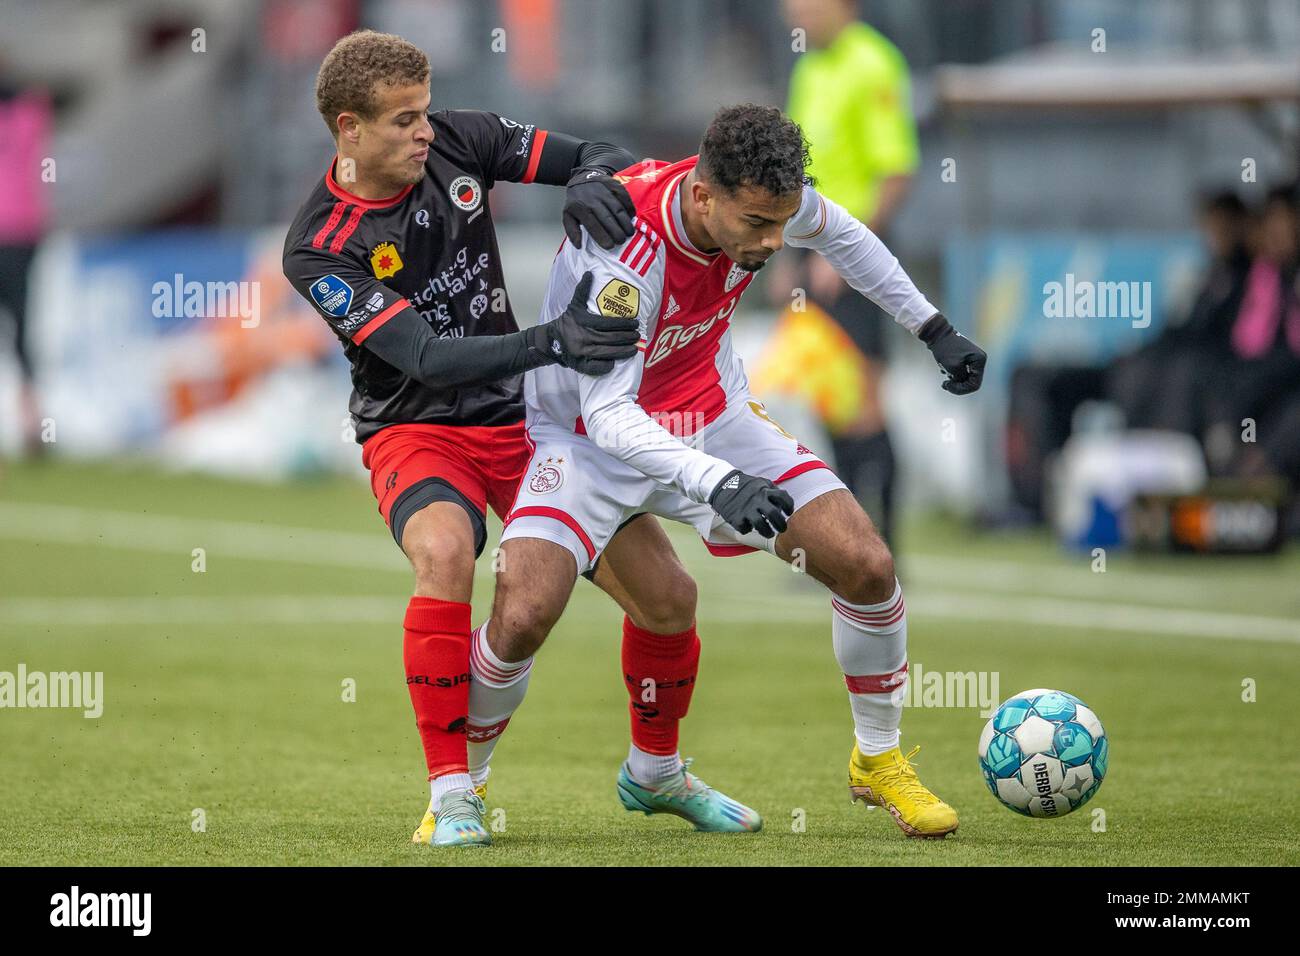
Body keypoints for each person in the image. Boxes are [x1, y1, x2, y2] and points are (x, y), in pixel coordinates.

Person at [466, 105, 985, 839]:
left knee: (867, 565)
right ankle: (465, 789)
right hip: (583, 437)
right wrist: (717, 483)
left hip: (711, 414)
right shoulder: (626, 250)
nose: (774, 242)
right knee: (523, 614)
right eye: (758, 227)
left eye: (781, 223)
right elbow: (610, 414)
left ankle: (878, 759)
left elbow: (842, 234)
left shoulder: (760, 197)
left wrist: (933, 329)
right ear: (704, 196)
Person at [282, 29, 655, 848]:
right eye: (403, 121)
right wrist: (556, 340)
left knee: (665, 596)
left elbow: (603, 150)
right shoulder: (320, 247)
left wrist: (592, 179)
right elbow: (426, 358)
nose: (425, 132)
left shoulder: (458, 137)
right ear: (349, 129)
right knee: (446, 555)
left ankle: (657, 773)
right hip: (415, 428)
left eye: (424, 113)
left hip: (522, 420)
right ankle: (452, 791)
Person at [757, 0, 921, 545]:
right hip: (810, 256)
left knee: (865, 401)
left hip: (856, 255)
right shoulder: (809, 65)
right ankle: (848, 542)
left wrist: (845, 255)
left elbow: (894, 172)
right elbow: (794, 177)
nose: (792, 14)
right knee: (829, 400)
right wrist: (784, 252)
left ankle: (885, 545)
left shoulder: (874, 63)